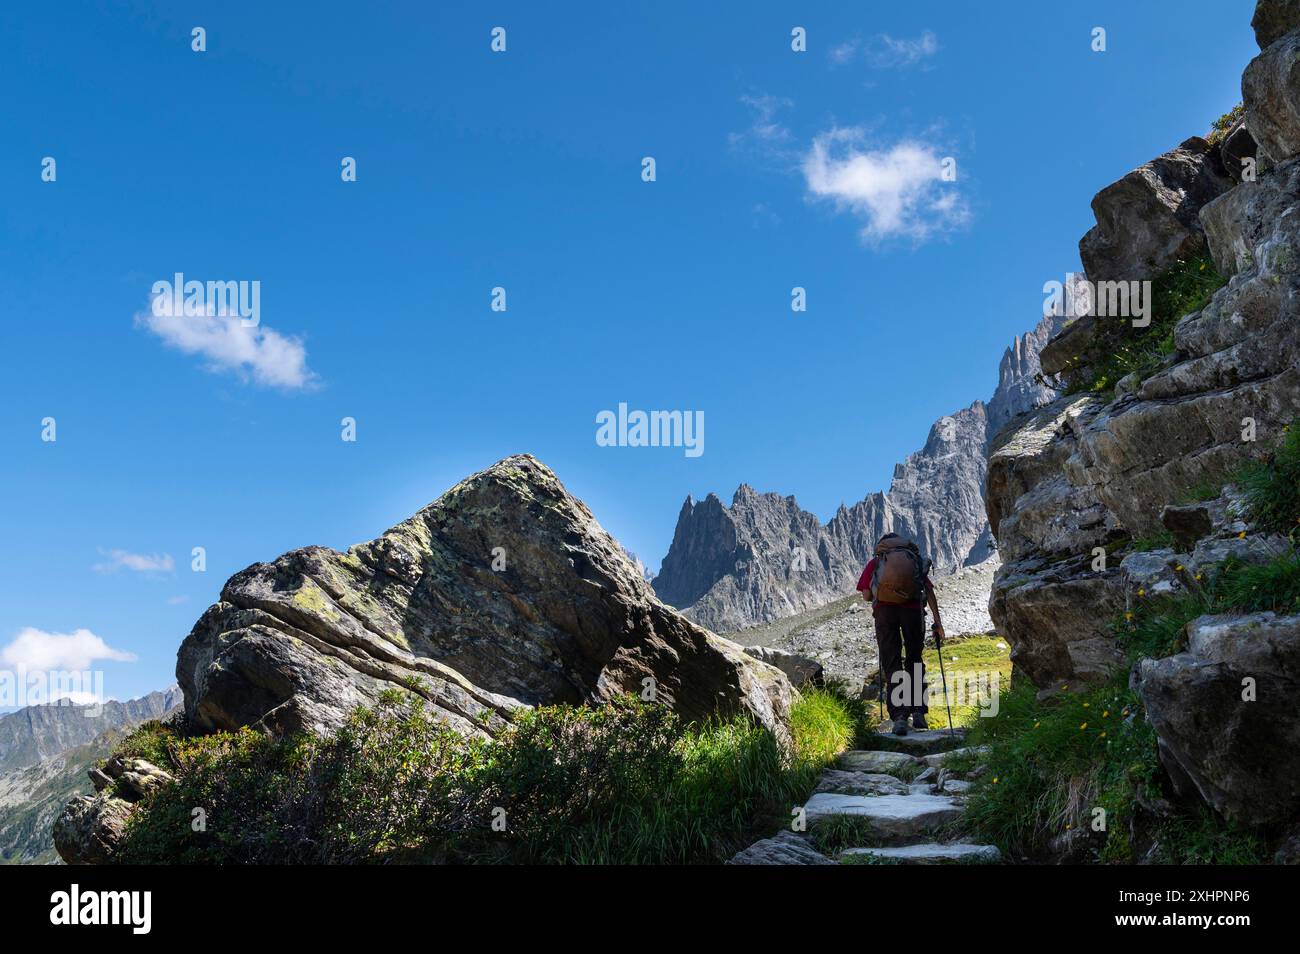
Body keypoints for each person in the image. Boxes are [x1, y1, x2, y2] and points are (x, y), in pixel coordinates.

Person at [856, 533, 945, 736]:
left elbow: (867, 595)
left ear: (883, 546)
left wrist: (883, 592)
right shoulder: (913, 560)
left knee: (892, 662)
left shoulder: (877, 562)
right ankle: (919, 712)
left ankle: (900, 717)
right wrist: (938, 623)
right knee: (914, 660)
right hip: (913, 612)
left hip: (885, 615)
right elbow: (928, 591)